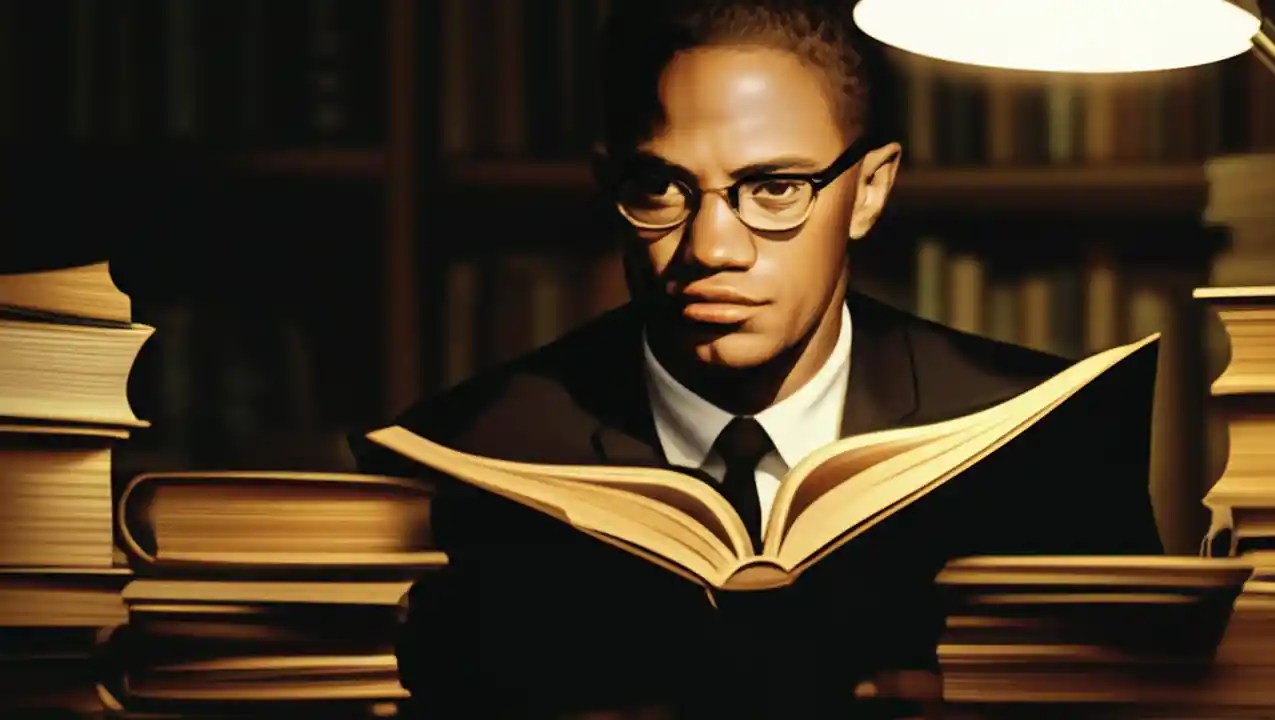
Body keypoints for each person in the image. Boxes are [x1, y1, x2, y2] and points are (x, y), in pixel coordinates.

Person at [350, 1, 1164, 717]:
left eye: (774, 189)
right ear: (609, 184)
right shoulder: (458, 463)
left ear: (870, 190)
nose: (711, 247)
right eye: (660, 187)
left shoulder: (1048, 442)